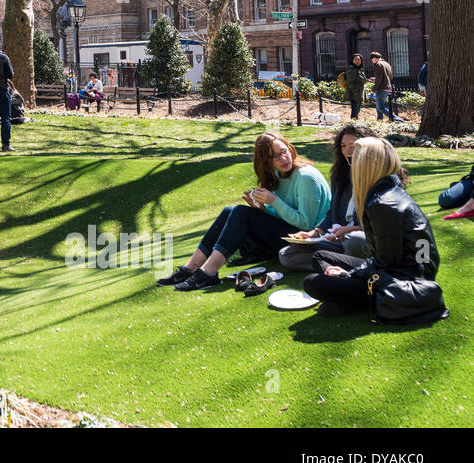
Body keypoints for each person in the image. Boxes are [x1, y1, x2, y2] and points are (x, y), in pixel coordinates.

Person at [160, 131, 332, 291]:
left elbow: (306, 223)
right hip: (290, 234)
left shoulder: (306, 177)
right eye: (274, 156)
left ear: (290, 149)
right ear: (266, 161)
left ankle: (208, 272)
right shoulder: (279, 174)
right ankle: (191, 267)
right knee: (230, 210)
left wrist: (273, 201)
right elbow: (283, 216)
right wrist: (263, 209)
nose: (283, 158)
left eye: (284, 151)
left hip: (309, 240)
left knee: (242, 213)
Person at [304, 137, 446, 321]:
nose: (351, 164)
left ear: (366, 166)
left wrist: (349, 275)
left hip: (406, 280)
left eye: (354, 160)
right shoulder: (388, 191)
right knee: (320, 256)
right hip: (407, 269)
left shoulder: (383, 205)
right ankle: (348, 301)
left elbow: (387, 263)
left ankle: (355, 302)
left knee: (312, 283)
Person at [278, 123, 372, 271]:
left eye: (353, 145)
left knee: (355, 240)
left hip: (365, 239)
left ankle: (348, 266)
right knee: (286, 255)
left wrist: (350, 229)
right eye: (344, 146)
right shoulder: (340, 174)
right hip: (337, 239)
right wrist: (315, 233)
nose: (348, 151)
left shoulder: (379, 177)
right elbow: (331, 213)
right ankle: (344, 264)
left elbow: (383, 226)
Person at [342, 53, 369, 120]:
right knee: (355, 111)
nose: (357, 61)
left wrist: (367, 80)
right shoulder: (352, 69)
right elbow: (350, 83)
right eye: (355, 60)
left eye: (359, 60)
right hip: (354, 94)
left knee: (357, 110)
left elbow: (361, 79)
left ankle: (354, 124)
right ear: (352, 61)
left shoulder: (359, 69)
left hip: (359, 93)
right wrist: (355, 92)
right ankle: (353, 126)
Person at [370, 50, 395, 121]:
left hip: (381, 88)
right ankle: (379, 120)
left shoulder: (378, 64)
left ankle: (396, 119)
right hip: (388, 87)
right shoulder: (387, 64)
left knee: (380, 107)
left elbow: (379, 80)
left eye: (372, 60)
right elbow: (388, 77)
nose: (372, 62)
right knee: (379, 106)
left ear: (374, 58)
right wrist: (376, 78)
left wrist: (373, 90)